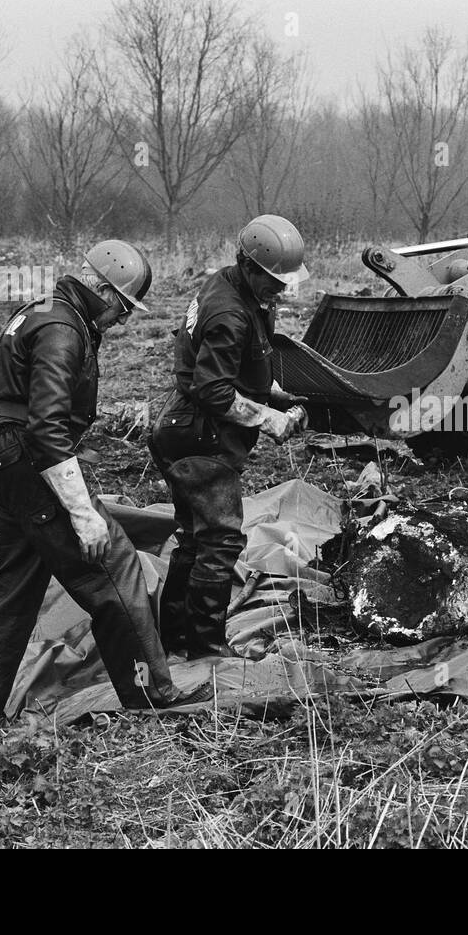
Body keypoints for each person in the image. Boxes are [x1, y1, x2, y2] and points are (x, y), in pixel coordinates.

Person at [0, 241, 209, 737]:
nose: (123, 318)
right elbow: (47, 429)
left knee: (6, 595)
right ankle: (153, 693)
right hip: (32, 461)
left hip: (3, 461)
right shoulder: (65, 331)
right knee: (116, 568)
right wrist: (82, 513)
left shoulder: (43, 310)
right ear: (103, 289)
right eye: (123, 306)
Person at [149, 215, 309, 658]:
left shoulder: (234, 285)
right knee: (219, 542)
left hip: (187, 426)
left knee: (195, 538)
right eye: (274, 281)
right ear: (250, 265)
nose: (280, 290)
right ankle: (205, 648)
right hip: (199, 436)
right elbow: (212, 388)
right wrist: (268, 418)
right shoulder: (228, 312)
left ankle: (175, 638)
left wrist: (271, 392)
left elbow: (235, 366)